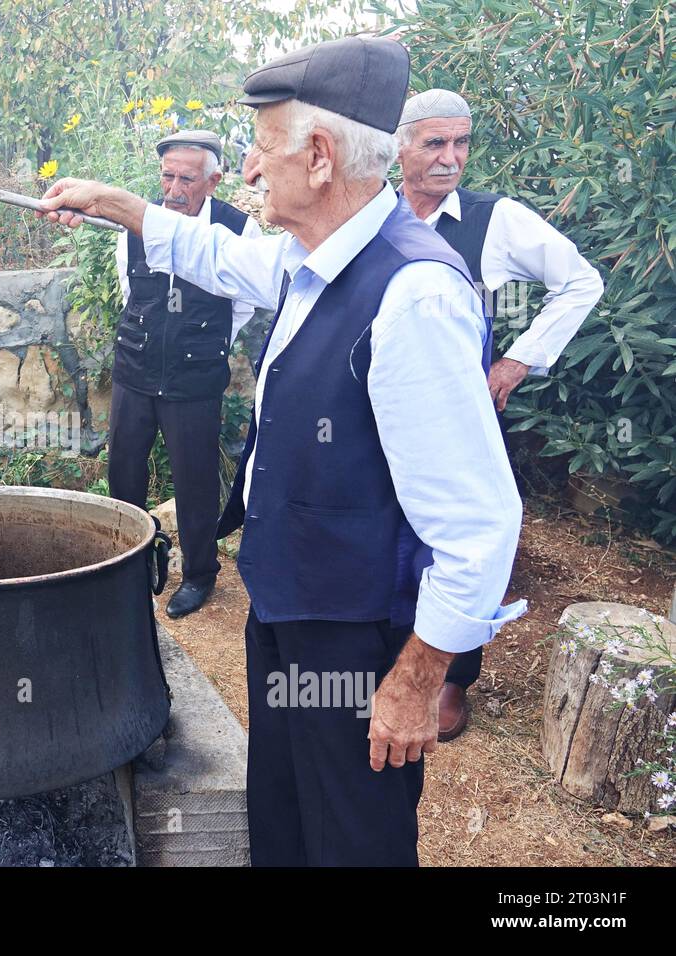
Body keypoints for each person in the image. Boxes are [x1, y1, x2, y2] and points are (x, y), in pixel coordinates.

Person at [39, 35, 525, 865]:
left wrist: (415, 683)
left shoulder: (413, 296)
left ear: (323, 156)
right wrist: (116, 203)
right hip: (291, 612)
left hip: (358, 640)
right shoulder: (313, 260)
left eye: (264, 148)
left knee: (352, 840)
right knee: (288, 820)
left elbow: (481, 525)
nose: (254, 172)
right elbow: (217, 255)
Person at [396, 89, 605, 741]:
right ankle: (392, 656)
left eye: (461, 143)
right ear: (398, 146)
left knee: (461, 536)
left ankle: (454, 676)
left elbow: (581, 281)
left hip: (461, 413)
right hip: (379, 407)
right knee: (389, 535)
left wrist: (516, 363)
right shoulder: (372, 216)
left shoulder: (496, 220)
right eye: (435, 143)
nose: (451, 158)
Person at [110, 129, 262, 619]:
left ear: (213, 181)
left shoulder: (241, 231)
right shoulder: (137, 223)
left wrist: (204, 343)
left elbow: (244, 303)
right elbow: (130, 289)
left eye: (186, 179)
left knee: (194, 478)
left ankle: (199, 574)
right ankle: (126, 566)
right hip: (134, 370)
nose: (174, 189)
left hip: (195, 379)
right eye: (167, 176)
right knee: (124, 471)